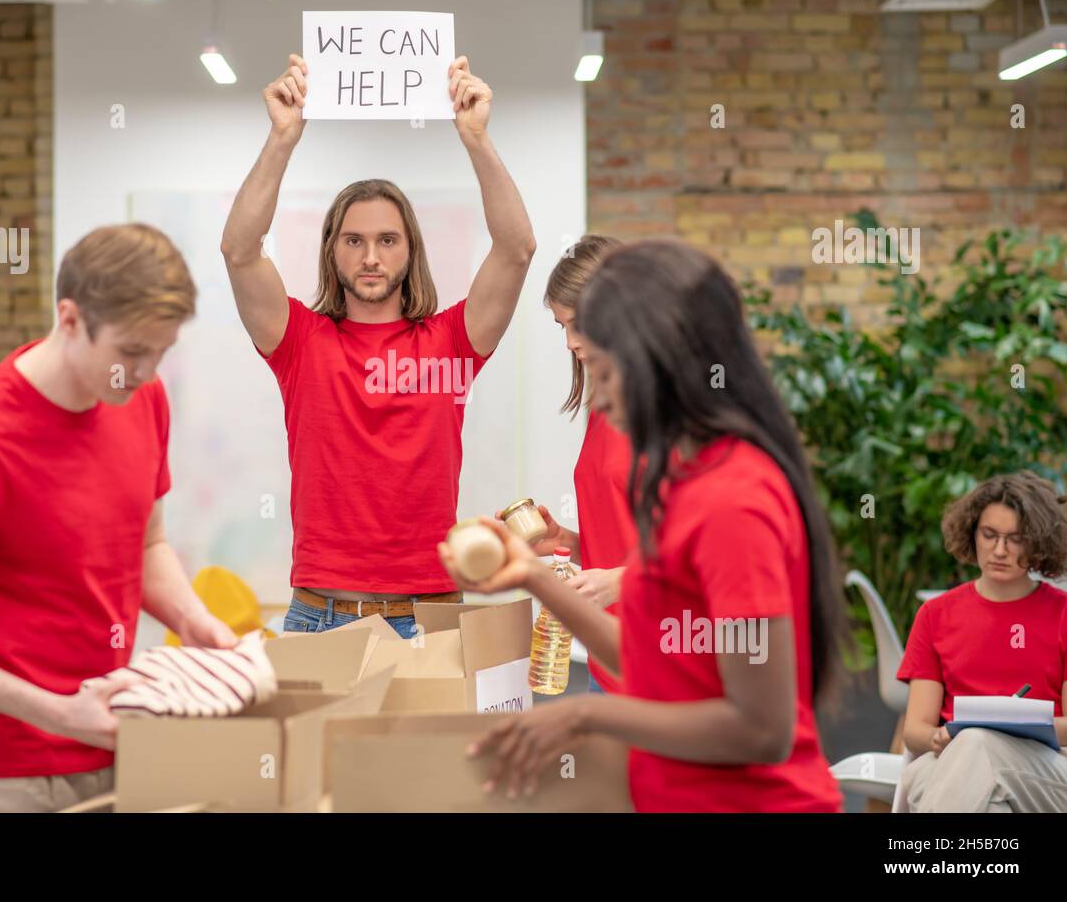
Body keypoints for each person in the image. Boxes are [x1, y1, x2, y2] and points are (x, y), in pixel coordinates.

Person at [439, 239, 848, 812]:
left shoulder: (733, 501)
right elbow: (649, 656)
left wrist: (584, 715)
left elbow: (761, 729)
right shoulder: (688, 487)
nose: (599, 399)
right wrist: (532, 576)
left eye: (607, 372)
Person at [0, 224, 237, 813]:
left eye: (161, 351)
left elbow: (146, 543)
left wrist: (191, 618)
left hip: (112, 743)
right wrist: (58, 713)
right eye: (131, 352)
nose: (146, 371)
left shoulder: (142, 399)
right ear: (69, 319)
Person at [220, 53, 536, 638]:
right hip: (319, 615)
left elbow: (516, 249)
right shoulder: (298, 341)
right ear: (332, 250)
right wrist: (283, 137)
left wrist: (475, 138)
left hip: (430, 616)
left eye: (388, 240)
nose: (370, 257)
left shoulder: (451, 343)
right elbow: (239, 250)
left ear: (410, 250)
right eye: (354, 241)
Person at [498, 234, 632, 693]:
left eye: (578, 324)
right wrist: (568, 543)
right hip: (608, 667)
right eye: (561, 327)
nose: (570, 343)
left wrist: (623, 583)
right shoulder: (604, 406)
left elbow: (708, 553)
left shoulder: (676, 409)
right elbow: (627, 539)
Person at [896, 472, 1067, 812]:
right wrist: (939, 736)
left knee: (978, 743)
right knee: (986, 795)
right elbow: (915, 730)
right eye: (989, 535)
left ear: (1037, 542)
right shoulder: (935, 615)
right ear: (972, 532)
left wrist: (1003, 730)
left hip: (1044, 769)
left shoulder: (1064, 613)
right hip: (946, 757)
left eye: (1015, 539)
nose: (999, 551)